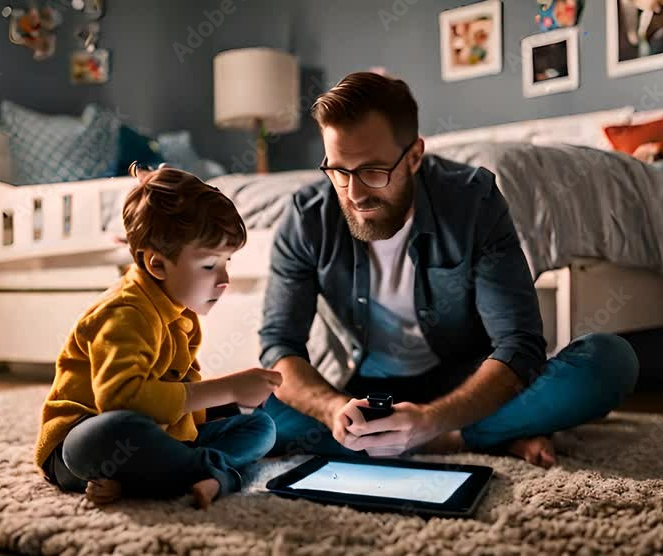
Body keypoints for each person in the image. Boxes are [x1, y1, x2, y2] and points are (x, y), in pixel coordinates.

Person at [259, 72, 639, 467]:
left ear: (414, 156)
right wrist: (332, 409)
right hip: (370, 393)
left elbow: (518, 344)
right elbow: (279, 345)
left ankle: (437, 436)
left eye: (373, 171)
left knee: (608, 361)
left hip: (469, 386)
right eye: (339, 170)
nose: (354, 194)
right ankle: (490, 435)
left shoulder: (473, 200)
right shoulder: (307, 217)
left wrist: (431, 420)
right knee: (261, 410)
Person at [34, 163, 281, 508]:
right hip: (81, 444)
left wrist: (233, 402)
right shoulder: (124, 312)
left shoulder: (182, 313)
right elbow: (122, 402)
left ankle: (170, 475)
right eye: (209, 265)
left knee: (261, 427)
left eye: (227, 262)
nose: (224, 279)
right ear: (157, 264)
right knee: (108, 433)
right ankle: (215, 473)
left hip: (162, 433)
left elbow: (180, 397)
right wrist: (227, 388)